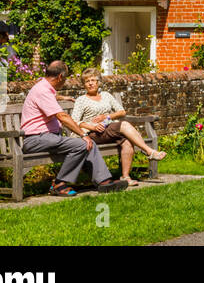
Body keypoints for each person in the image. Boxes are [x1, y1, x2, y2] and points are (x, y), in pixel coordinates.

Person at [21, 61, 126, 196]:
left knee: (90, 144)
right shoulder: (42, 91)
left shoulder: (44, 88)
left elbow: (50, 98)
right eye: (64, 79)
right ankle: (59, 184)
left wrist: (62, 97)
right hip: (36, 139)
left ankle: (104, 182)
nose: (64, 82)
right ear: (60, 77)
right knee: (82, 144)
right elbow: (62, 116)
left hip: (48, 138)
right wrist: (83, 134)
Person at [72, 68, 166, 183]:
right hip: (92, 134)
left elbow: (122, 112)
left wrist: (107, 117)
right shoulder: (81, 100)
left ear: (98, 82)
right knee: (125, 124)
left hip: (108, 130)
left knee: (126, 141)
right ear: (84, 85)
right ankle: (149, 151)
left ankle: (125, 177)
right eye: (87, 81)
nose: (90, 83)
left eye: (93, 80)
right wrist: (93, 127)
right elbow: (74, 121)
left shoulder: (106, 95)